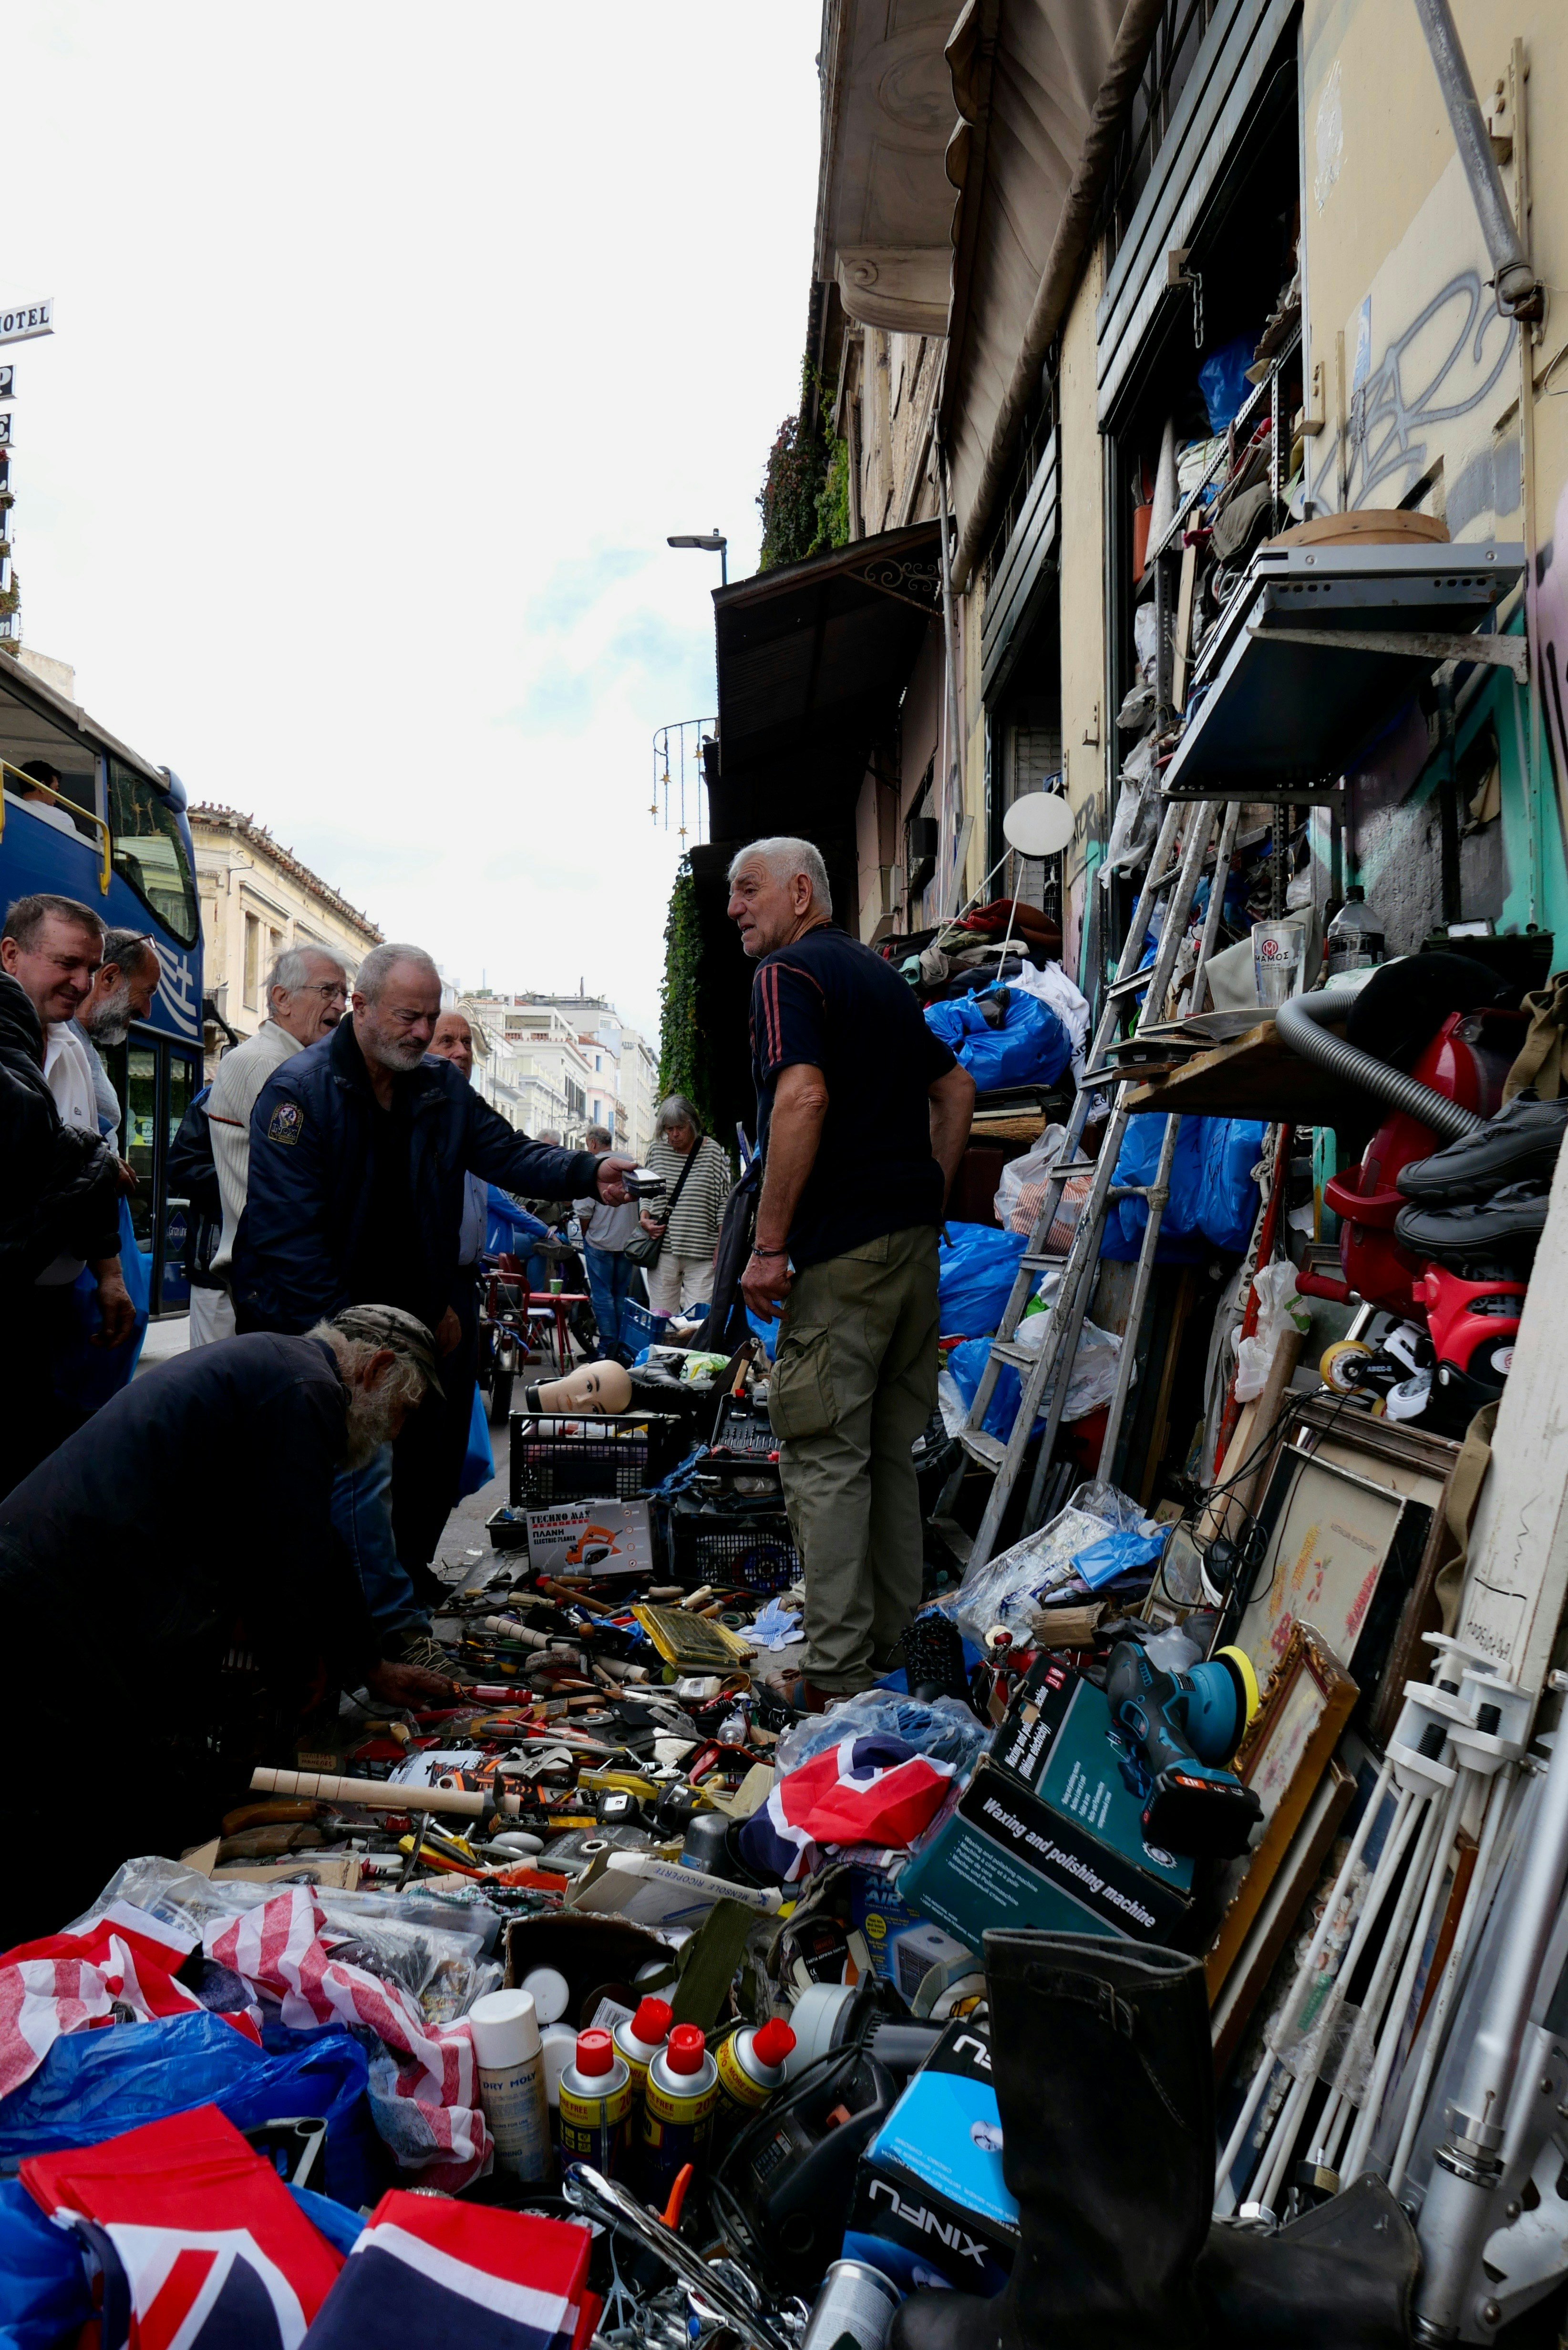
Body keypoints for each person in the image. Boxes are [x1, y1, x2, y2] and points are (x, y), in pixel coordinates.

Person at [232, 942, 634, 1668]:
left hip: (408, 1314)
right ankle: (375, 1638)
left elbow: (507, 1153)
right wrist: (349, 1353)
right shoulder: (299, 1093)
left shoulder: (438, 1091)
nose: (422, 1033)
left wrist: (589, 1170)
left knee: (423, 1462)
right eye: (408, 1017)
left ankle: (393, 1605)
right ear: (359, 1008)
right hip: (314, 1322)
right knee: (348, 1478)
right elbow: (288, 1241)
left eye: (429, 1018)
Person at [0, 1304, 455, 1946]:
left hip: (63, 1584)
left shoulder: (290, 1374)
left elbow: (311, 1539)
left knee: (84, 1797)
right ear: (377, 1367)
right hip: (52, 1598)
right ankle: (55, 1971)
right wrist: (301, 1670)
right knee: (66, 1814)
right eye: (403, 1410)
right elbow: (285, 1560)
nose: (394, 1433)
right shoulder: (307, 1391)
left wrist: (368, 1663)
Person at [728, 835, 974, 1709]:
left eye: (748, 890)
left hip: (843, 1256)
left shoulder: (786, 977)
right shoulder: (878, 977)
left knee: (826, 1458)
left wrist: (767, 1245)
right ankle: (889, 1651)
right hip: (908, 1252)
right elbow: (956, 1090)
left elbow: (801, 1096)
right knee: (884, 1457)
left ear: (801, 891)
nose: (733, 908)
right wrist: (924, 1203)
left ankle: (836, 1675)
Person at [0, 895, 135, 1496]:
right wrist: (93, 1159)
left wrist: (109, 1272)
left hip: (49, 1307)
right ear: (11, 955)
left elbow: (83, 1179)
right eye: (66, 963)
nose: (83, 983)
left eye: (91, 967)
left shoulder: (73, 1047)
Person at [196, 944, 350, 1346]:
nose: (339, 1005)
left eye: (344, 995)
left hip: (288, 1268)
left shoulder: (301, 1064)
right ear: (282, 998)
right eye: (328, 991)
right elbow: (318, 1167)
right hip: (276, 1274)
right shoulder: (264, 1061)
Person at [394, 1007, 488, 1579]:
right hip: (429, 1289)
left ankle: (420, 1562)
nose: (459, 1050)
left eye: (467, 1041)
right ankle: (403, 1566)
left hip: (464, 1282)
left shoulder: (467, 1115)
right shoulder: (416, 1114)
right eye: (446, 1040)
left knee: (450, 1435)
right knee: (420, 1436)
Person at [641, 1095, 732, 1318]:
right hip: (663, 1251)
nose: (674, 1134)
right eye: (668, 1129)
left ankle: (694, 1354)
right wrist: (644, 1218)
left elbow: (724, 1201)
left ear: (692, 1125)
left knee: (699, 1323)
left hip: (702, 1253)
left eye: (680, 1128)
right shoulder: (657, 1151)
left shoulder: (712, 1152)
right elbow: (645, 1191)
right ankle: (664, 1354)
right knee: (662, 1319)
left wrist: (722, 1243)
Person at [75, 926, 161, 1139]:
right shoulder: (53, 1041)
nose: (147, 1012)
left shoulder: (79, 1043)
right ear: (110, 978)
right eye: (147, 992)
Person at [575, 1123, 640, 1363]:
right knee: (620, 1295)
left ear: (592, 1144)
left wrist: (586, 1236)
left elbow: (584, 1210)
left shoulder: (593, 1166)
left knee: (602, 1296)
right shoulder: (629, 1163)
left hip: (600, 1241)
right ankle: (621, 1348)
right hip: (627, 1242)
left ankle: (607, 1347)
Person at [8, 758, 84, 840]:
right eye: (56, 789)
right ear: (43, 787)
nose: (57, 796)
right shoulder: (63, 819)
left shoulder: (7, 810)